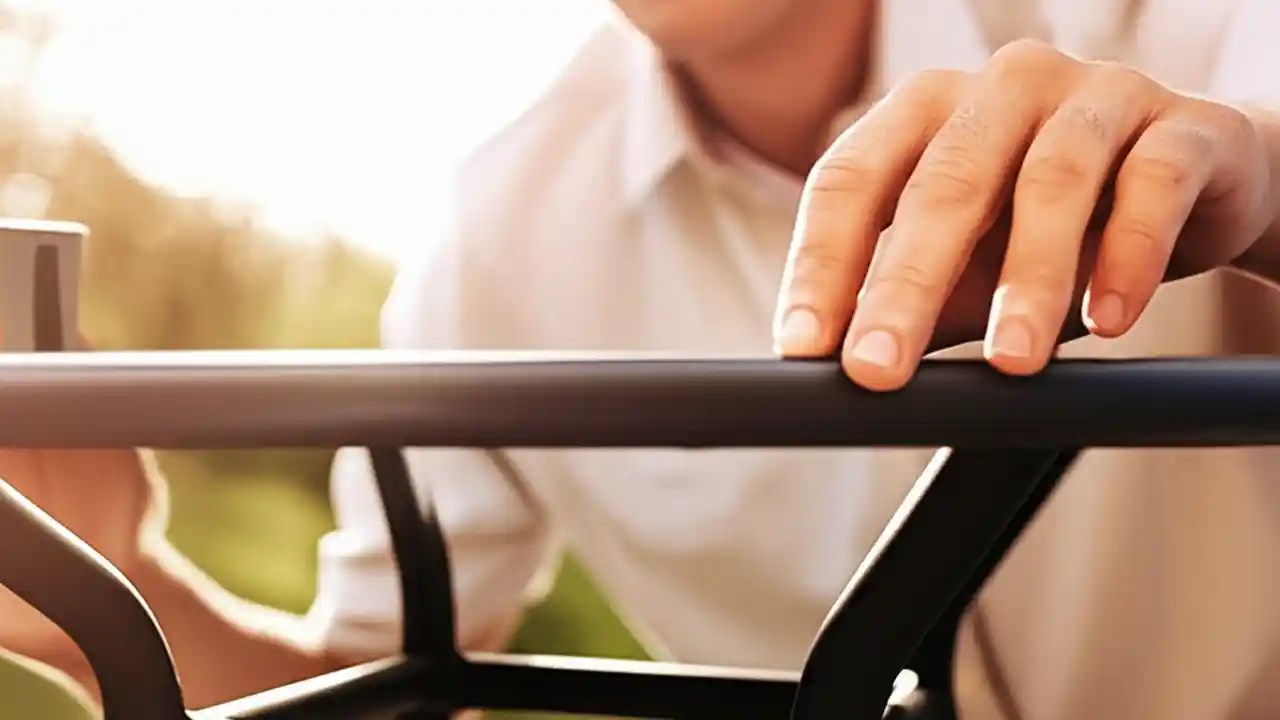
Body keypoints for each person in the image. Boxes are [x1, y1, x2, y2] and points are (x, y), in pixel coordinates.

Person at [4, 0, 1280, 717]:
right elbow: (378, 687)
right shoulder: (499, 231)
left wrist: (1253, 188)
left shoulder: (1194, 26)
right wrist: (106, 588)